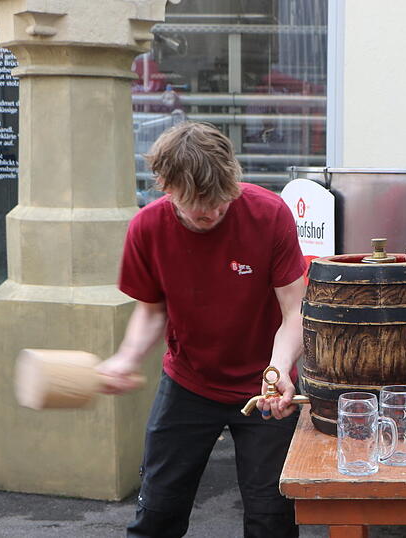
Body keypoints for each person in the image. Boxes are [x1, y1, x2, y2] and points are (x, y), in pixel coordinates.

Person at [96, 121, 306, 538]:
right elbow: (152, 310)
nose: (209, 212)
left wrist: (279, 369)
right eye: (196, 204)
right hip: (189, 383)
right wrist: (127, 356)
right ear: (165, 186)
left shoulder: (269, 214)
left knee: (272, 521)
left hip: (264, 384)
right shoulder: (147, 227)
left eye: (220, 202)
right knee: (157, 513)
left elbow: (294, 309)